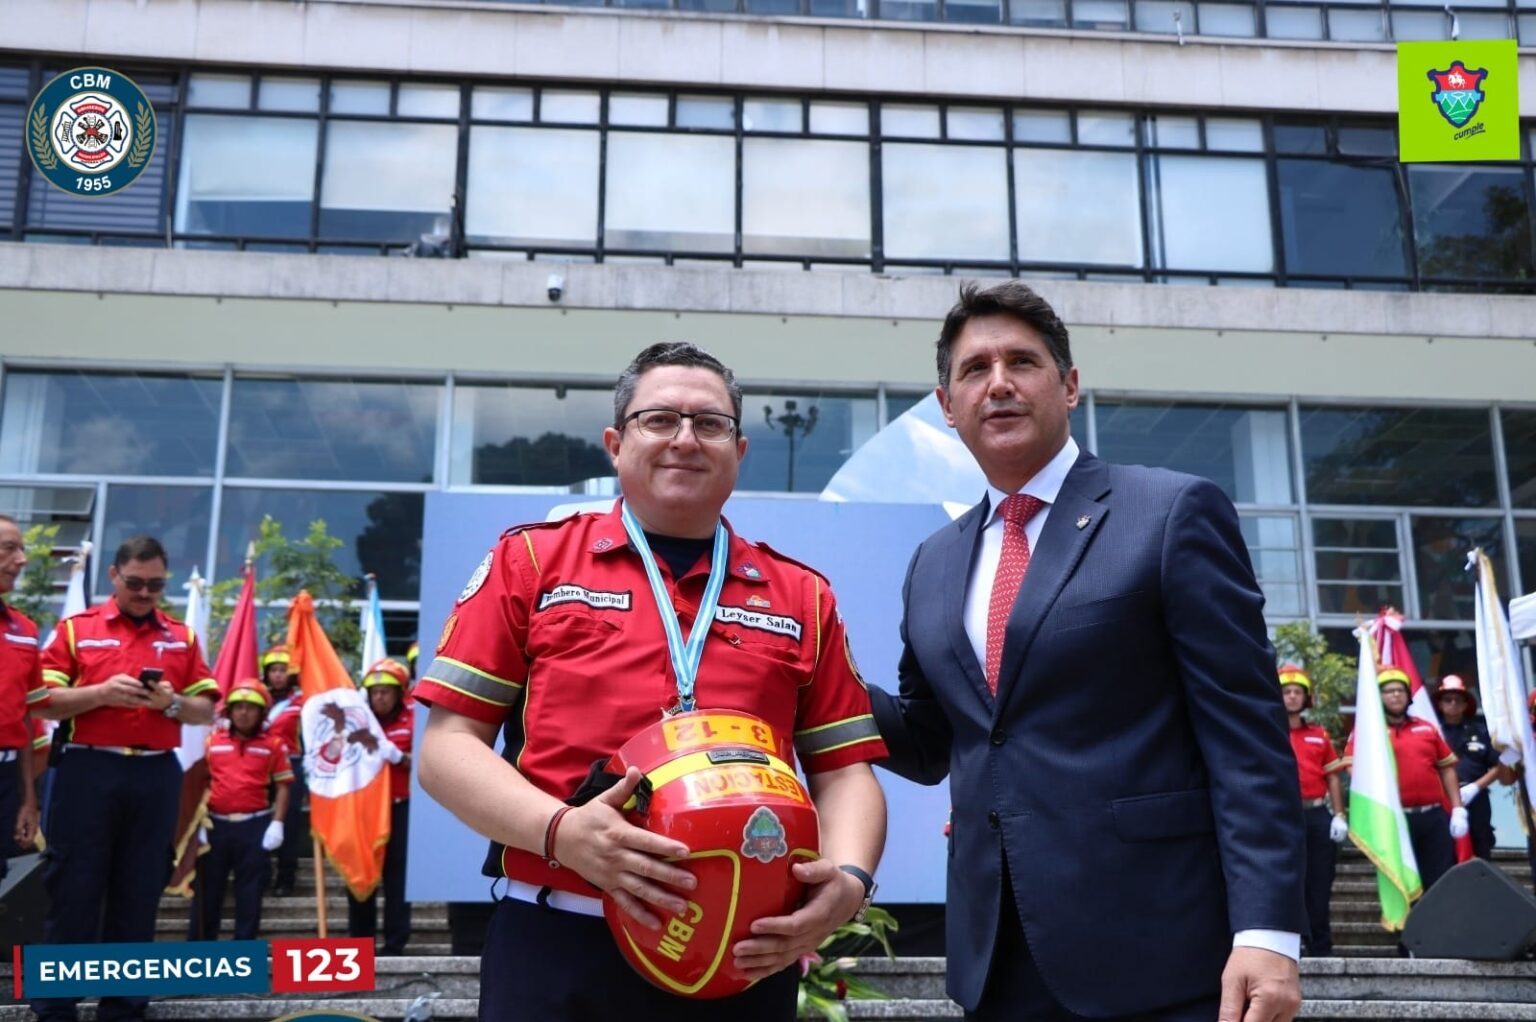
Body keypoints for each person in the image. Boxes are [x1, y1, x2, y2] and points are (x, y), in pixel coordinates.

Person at [866, 282, 1304, 1022]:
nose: (998, 383)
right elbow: (930, 741)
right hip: (997, 962)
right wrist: (805, 677)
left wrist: (1266, 933)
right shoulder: (933, 563)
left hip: (1164, 955)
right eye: (974, 369)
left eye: (1022, 362)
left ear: (1068, 386)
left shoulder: (1169, 513)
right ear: (947, 406)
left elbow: (1247, 741)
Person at [416, 342, 888, 1022]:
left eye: (710, 423)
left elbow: (846, 773)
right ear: (615, 442)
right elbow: (446, 748)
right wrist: (562, 832)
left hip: (744, 948)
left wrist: (848, 882)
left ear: (740, 449)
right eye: (659, 419)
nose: (685, 440)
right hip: (561, 935)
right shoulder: (531, 562)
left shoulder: (801, 596)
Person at [32, 535, 219, 1022]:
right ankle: (56, 1008)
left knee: (139, 890)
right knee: (74, 889)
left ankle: (123, 1010)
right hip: (87, 769)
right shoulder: (76, 629)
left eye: (155, 586)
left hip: (155, 773)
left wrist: (172, 704)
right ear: (113, 576)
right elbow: (42, 700)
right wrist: (100, 693)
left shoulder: (182, 636)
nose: (144, 594)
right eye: (135, 583)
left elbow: (207, 709)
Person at [1343, 667, 1466, 892]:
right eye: (1389, 691)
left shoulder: (1426, 727)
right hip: (1394, 818)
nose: (1396, 695)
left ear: (1409, 696)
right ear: (1378, 697)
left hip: (1433, 818)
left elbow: (1447, 767)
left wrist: (1458, 808)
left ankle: (1438, 928)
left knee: (1439, 883)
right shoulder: (1369, 731)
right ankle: (1406, 929)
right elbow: (1352, 765)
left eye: (1400, 690)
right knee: (1403, 885)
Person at [190, 680, 292, 940]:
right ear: (230, 711)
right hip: (215, 826)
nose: (244, 713)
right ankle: (197, 958)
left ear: (262, 713)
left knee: (249, 897)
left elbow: (283, 786)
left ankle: (242, 959)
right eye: (239, 707)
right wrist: (195, 823)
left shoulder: (274, 744)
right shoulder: (212, 742)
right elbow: (198, 782)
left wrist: (277, 823)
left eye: (251, 708)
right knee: (206, 896)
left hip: (254, 826)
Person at [347, 657, 413, 955]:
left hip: (400, 808)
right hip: (363, 810)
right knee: (361, 872)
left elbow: (427, 763)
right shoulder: (357, 724)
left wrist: (399, 757)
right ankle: (361, 943)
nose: (380, 697)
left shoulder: (414, 720)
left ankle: (395, 943)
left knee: (397, 877)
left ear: (400, 693)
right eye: (374, 692)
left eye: (386, 691)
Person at [1279, 665, 1346, 957]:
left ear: (1306, 698)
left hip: (1317, 816)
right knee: (1286, 882)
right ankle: (1290, 946)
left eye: (1297, 692)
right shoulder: (1267, 733)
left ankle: (1321, 946)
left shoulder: (1319, 734)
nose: (1292, 697)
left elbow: (1333, 776)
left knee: (1320, 882)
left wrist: (1340, 815)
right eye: (1286, 692)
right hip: (1281, 818)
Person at [0, 516, 44, 873]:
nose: (22, 560)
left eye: (22, 549)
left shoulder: (25, 629)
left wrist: (29, 798)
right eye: (9, 548)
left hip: (6, 780)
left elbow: (26, 716)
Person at [1434, 675, 1499, 860]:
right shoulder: (1432, 731)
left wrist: (1475, 787)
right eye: (1448, 699)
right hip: (1441, 800)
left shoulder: (1481, 731)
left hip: (1475, 799)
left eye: (1458, 699)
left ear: (1465, 704)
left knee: (1480, 849)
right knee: (1442, 853)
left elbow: (1498, 766)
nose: (1453, 703)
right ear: (1440, 704)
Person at [262, 642, 306, 896]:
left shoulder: (301, 700)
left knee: (288, 822)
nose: (278, 674)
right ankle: (262, 874)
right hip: (259, 766)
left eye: (282, 670)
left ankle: (286, 877)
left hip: (292, 766)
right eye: (273, 670)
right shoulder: (257, 698)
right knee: (260, 822)